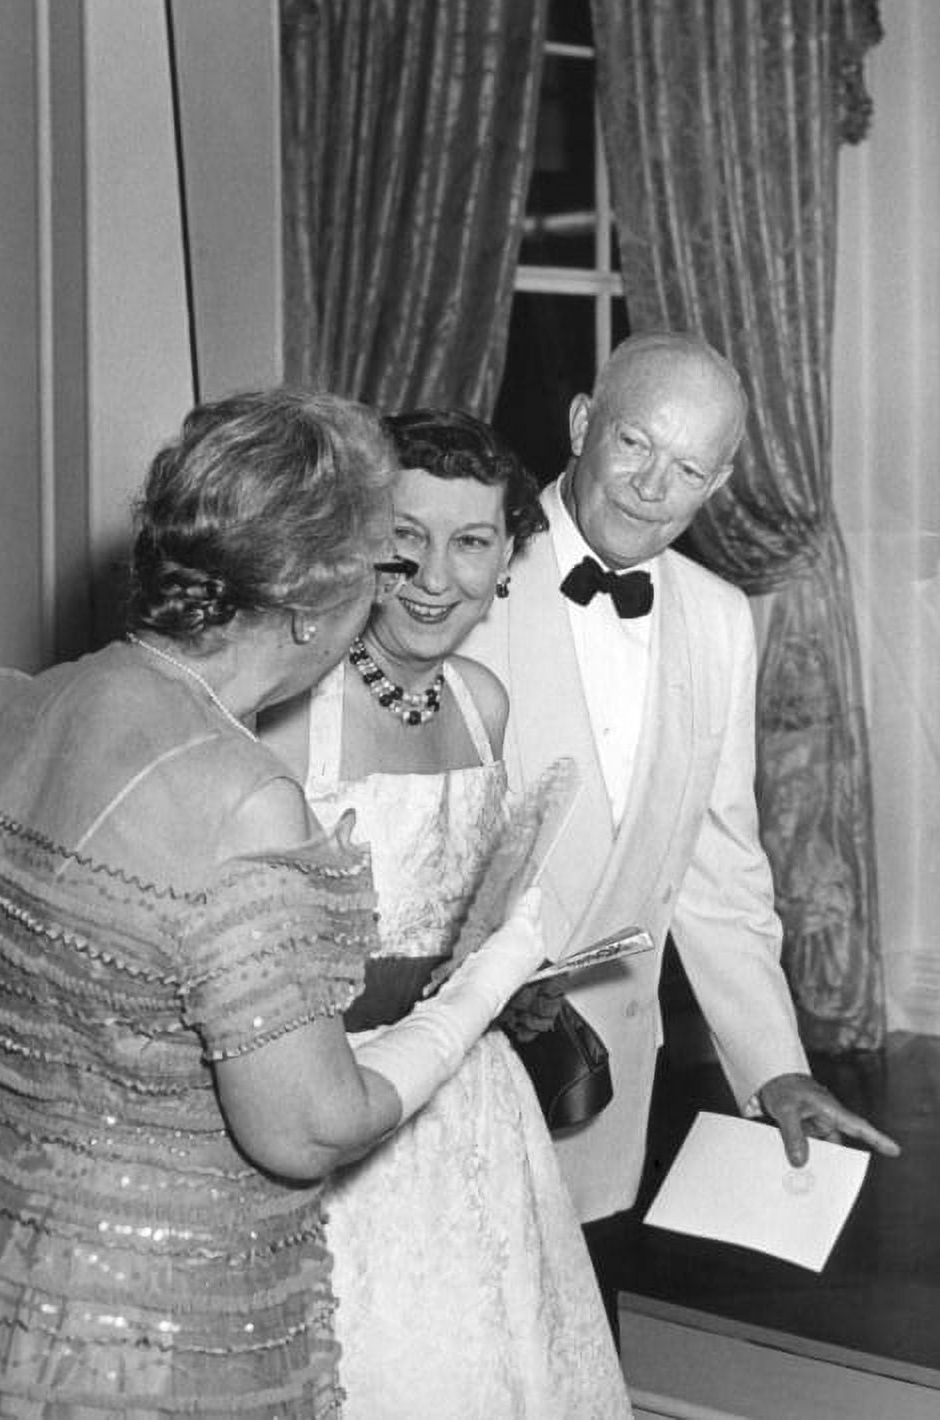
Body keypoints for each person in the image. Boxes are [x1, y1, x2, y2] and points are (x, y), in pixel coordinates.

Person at [0, 390, 545, 1415]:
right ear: (308, 603)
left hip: (7, 1274)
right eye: (384, 563)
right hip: (160, 1321)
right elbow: (309, 1129)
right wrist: (483, 987)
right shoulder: (246, 797)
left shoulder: (34, 704)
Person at [462, 330, 900, 1243]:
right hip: (458, 1060)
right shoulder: (466, 576)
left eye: (688, 467)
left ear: (720, 482)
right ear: (584, 423)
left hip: (608, 1083)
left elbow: (719, 865)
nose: (653, 488)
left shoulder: (720, 618)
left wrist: (774, 1065)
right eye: (634, 444)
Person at [258, 409, 631, 1418]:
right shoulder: (292, 711)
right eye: (404, 542)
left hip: (475, 1105)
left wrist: (515, 977)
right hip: (337, 1108)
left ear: (506, 559)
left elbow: (465, 901)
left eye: (470, 543)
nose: (434, 578)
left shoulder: (482, 702)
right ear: (358, 546)